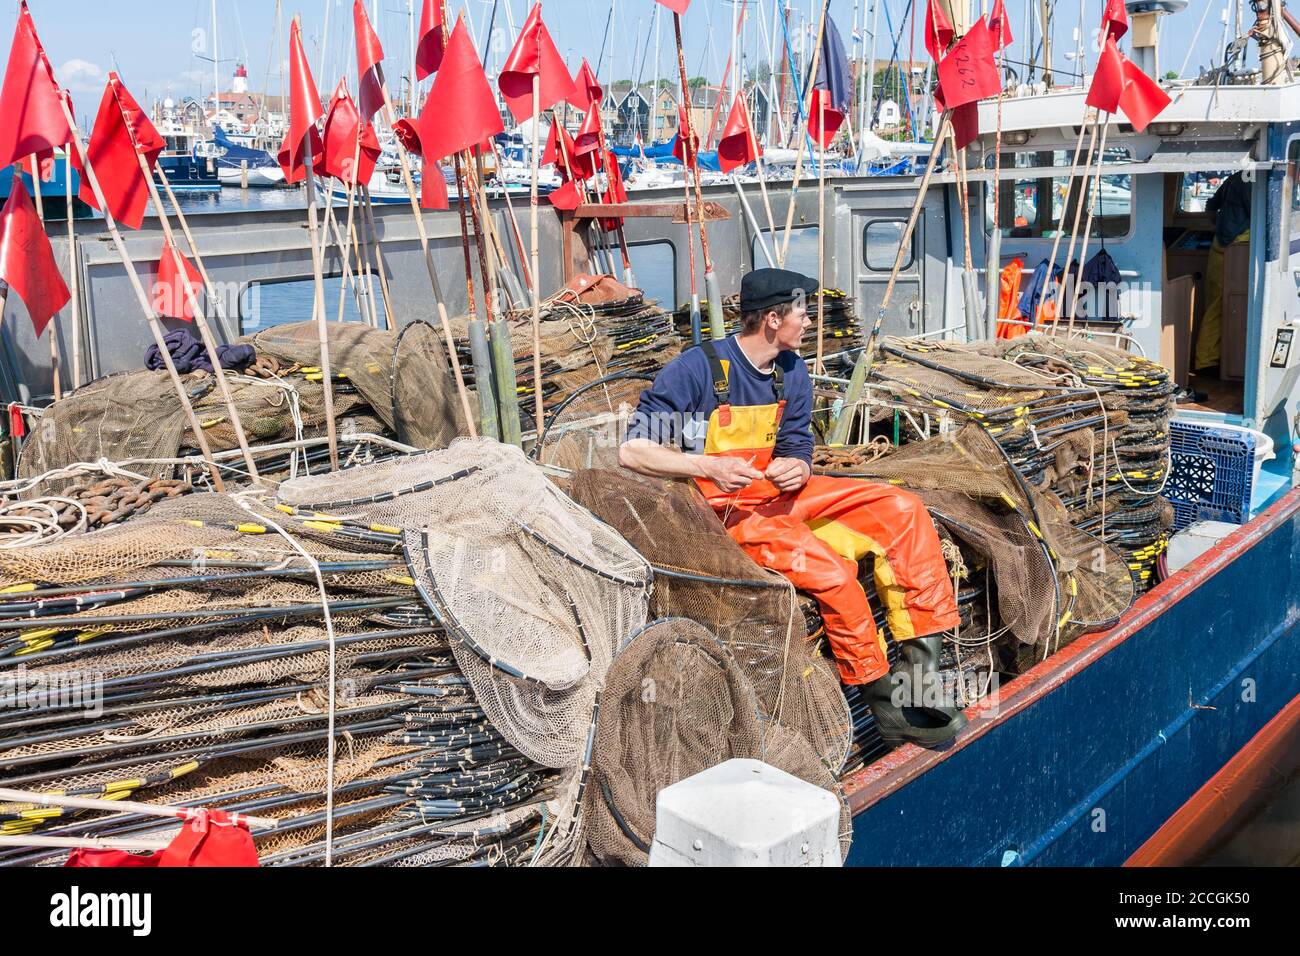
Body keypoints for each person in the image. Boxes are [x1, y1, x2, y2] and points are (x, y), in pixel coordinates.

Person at [620, 268, 965, 748]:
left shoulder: (791, 370)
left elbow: (798, 443)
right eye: (802, 313)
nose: (809, 323)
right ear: (772, 319)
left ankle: (921, 677)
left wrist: (798, 468)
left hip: (781, 496)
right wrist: (706, 467)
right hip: (724, 514)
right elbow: (632, 451)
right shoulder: (697, 369)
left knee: (901, 509)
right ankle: (886, 704)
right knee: (834, 574)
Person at [1193, 171, 1252, 375]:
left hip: (1220, 244)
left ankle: (1211, 359)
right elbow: (1262, 217)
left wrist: (1220, 226)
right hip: (1238, 247)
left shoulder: (1235, 177)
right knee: (1223, 305)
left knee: (1215, 303)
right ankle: (1208, 361)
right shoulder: (1253, 178)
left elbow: (1211, 207)